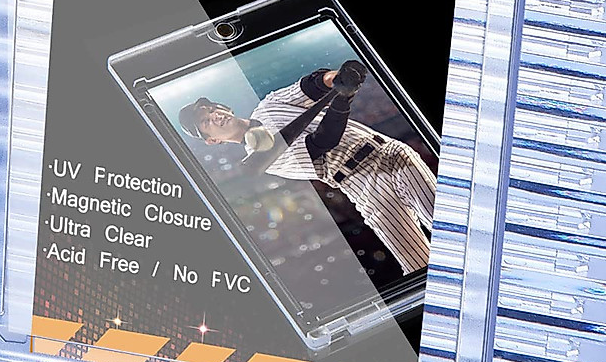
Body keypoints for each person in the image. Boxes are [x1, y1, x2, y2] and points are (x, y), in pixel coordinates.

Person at [178, 61, 435, 276]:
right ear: (213, 141)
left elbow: (312, 86)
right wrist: (343, 98)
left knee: (449, 233)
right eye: (206, 122)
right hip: (360, 185)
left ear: (224, 107)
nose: (214, 115)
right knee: (417, 266)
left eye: (211, 109)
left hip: (388, 154)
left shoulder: (269, 105)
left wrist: (339, 78)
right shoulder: (263, 160)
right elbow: (323, 141)